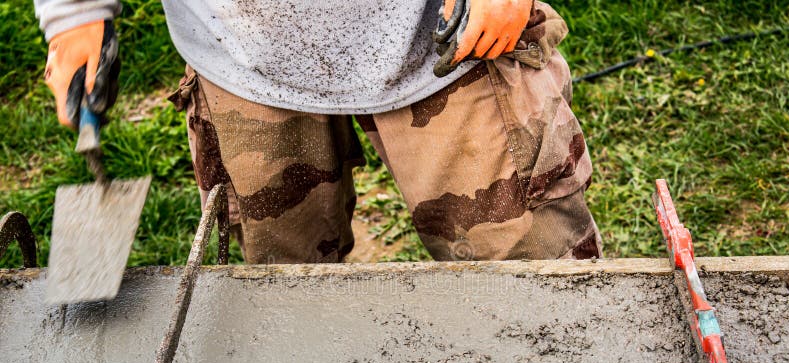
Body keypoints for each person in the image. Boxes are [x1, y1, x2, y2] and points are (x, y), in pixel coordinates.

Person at [34, 0, 601, 264]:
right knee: (284, 306)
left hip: (449, 38)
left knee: (540, 292)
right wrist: (73, 12)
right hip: (242, 52)